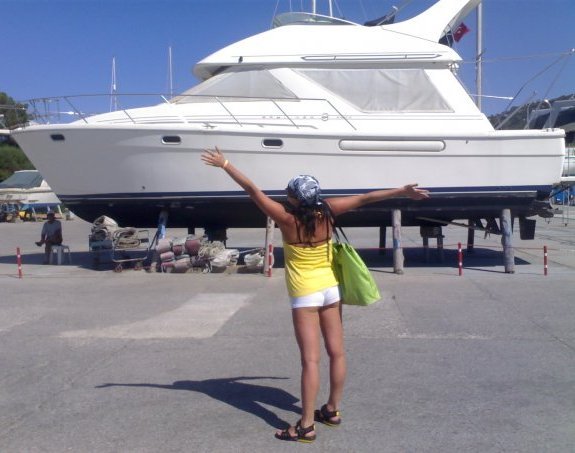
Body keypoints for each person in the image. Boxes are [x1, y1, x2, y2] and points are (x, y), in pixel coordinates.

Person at [201, 147, 429, 443]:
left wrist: (225, 164)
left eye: (288, 193)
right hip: (330, 290)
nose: (285, 196)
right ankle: (332, 410)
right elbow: (366, 198)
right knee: (337, 352)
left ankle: (306, 425)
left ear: (296, 199)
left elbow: (252, 190)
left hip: (305, 295)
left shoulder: (286, 218)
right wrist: (402, 191)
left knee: (310, 361)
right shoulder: (329, 211)